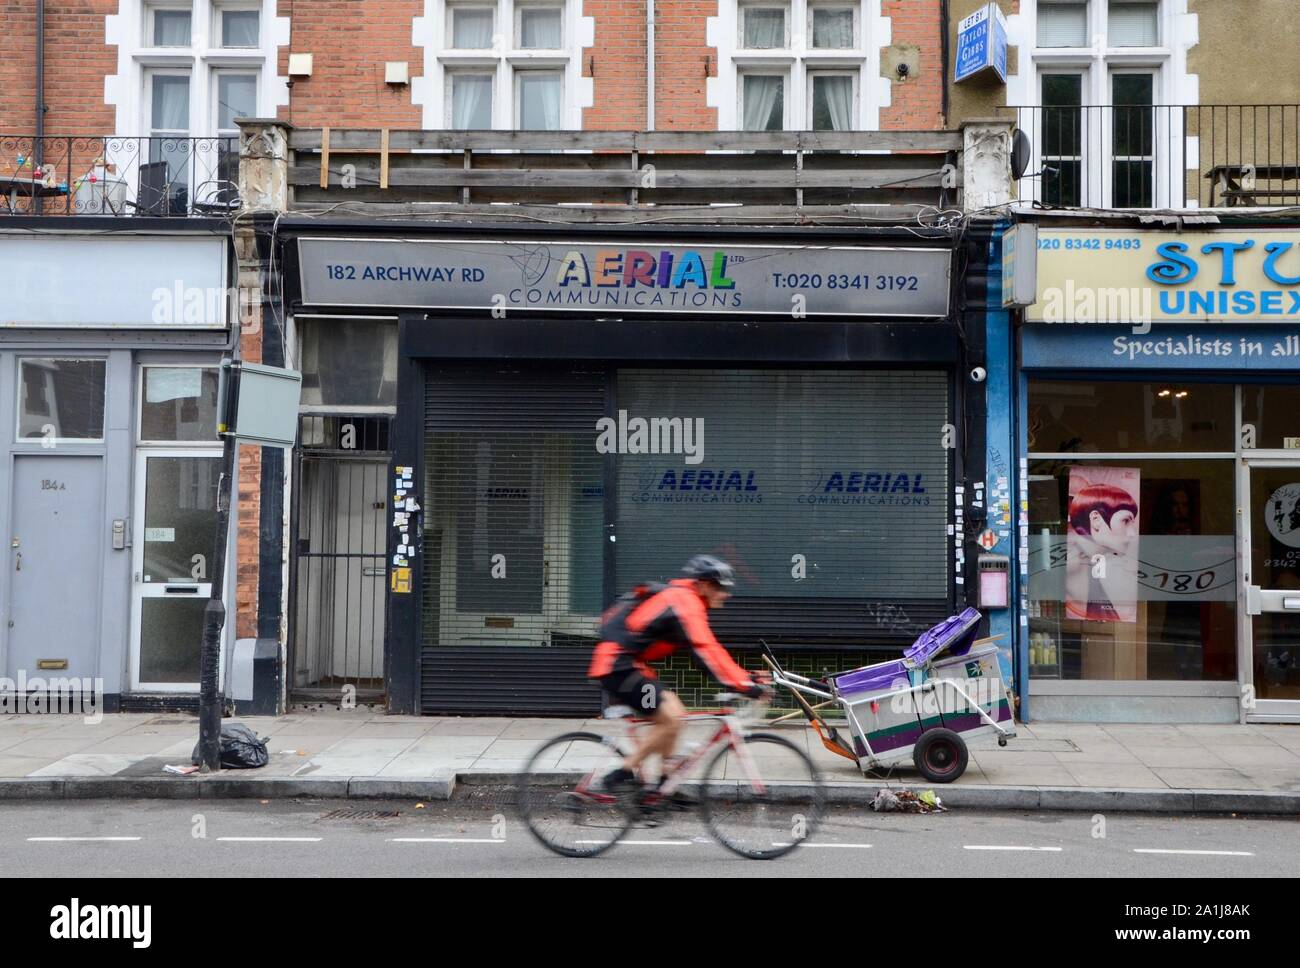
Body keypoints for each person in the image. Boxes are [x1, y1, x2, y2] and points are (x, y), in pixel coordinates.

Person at [587, 554, 769, 797]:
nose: (726, 594)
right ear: (704, 585)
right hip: (617, 666)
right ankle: (621, 772)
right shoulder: (685, 602)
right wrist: (745, 685)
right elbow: (707, 651)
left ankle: (662, 787)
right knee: (671, 717)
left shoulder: (686, 601)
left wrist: (745, 677)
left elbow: (709, 653)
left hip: (627, 665)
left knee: (675, 714)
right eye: (721, 588)